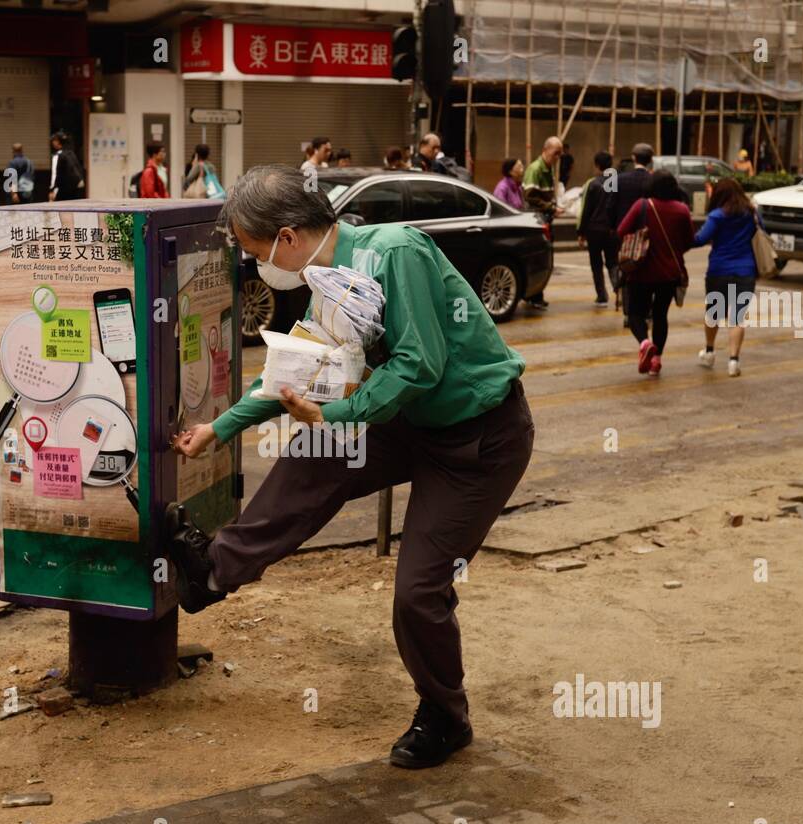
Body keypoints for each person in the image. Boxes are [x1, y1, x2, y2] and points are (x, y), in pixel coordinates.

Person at [167, 164, 533, 770]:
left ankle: (445, 715)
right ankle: (210, 573)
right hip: (407, 423)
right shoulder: (327, 279)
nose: (258, 266)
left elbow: (420, 366)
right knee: (315, 457)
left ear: (287, 236)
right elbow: (295, 366)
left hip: (479, 440)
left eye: (256, 251)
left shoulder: (393, 253)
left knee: (418, 591)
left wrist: (336, 411)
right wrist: (220, 428)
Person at [616, 169, 693, 376]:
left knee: (635, 314)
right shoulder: (682, 210)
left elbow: (621, 231)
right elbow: (689, 241)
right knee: (661, 316)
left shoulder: (642, 205)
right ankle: (656, 360)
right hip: (669, 275)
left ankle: (644, 343)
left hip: (640, 272)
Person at [690, 177, 757, 377]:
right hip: (745, 270)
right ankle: (733, 361)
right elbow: (758, 233)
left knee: (714, 314)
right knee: (737, 318)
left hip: (719, 271)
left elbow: (700, 239)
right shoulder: (751, 214)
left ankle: (709, 352)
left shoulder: (717, 216)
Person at [606, 142, 656, 323]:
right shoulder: (654, 181)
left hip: (625, 234)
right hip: (648, 235)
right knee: (648, 273)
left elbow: (610, 205)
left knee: (627, 272)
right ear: (650, 160)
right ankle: (647, 311)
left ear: (633, 158)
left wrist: (613, 228)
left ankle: (629, 312)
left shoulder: (618, 179)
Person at [521, 135, 563, 311]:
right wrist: (551, 208)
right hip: (536, 221)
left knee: (545, 259)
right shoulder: (536, 169)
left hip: (545, 219)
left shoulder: (548, 168)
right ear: (545, 151)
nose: (557, 158)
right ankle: (533, 295)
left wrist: (553, 207)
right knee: (537, 259)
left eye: (560, 154)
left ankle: (537, 295)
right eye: (555, 153)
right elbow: (529, 196)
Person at [577, 151, 619, 309]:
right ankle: (618, 290)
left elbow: (585, 209)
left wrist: (580, 233)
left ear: (597, 165)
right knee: (613, 263)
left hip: (594, 230)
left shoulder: (592, 184)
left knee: (596, 264)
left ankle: (602, 296)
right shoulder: (615, 182)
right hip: (611, 231)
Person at [47, 132, 85, 201]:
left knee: (59, 209)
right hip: (76, 187)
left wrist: (52, 190)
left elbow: (55, 174)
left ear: (57, 142)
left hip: (63, 189)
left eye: (53, 140)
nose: (52, 142)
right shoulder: (71, 153)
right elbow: (78, 168)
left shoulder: (58, 155)